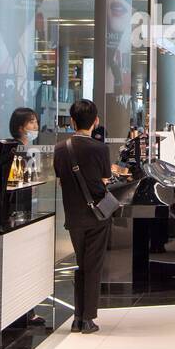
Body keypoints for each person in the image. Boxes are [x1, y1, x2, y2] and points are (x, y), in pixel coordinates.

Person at [53, 99, 113, 334]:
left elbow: (61, 179)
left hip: (73, 215)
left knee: (80, 264)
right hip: (98, 215)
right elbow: (105, 180)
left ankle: (77, 317)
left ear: (72, 121)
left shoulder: (60, 148)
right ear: (96, 122)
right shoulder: (100, 149)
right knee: (93, 265)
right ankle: (88, 318)